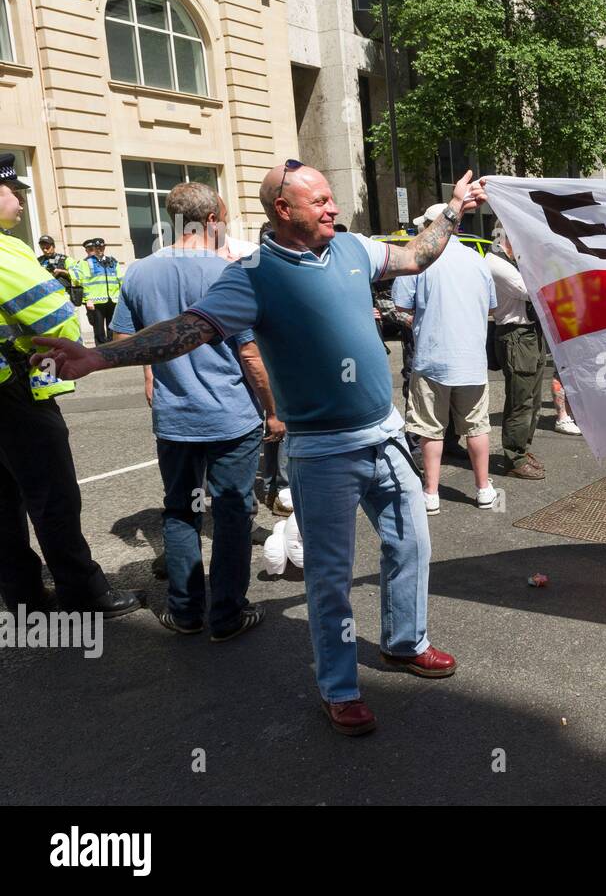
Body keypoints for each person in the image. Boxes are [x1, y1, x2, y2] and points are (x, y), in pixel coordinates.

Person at [35, 161, 484, 736]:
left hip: (385, 433)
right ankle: (340, 689)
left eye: (330, 197)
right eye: (319, 201)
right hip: (323, 452)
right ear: (283, 210)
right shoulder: (251, 277)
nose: (332, 208)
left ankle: (405, 642)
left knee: (410, 543)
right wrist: (99, 356)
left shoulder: (352, 249)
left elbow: (416, 255)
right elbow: (186, 329)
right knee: (329, 576)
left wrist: (452, 209)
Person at [111, 182, 284, 640]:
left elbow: (126, 344)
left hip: (176, 417)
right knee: (231, 512)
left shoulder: (139, 272)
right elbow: (251, 357)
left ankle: (186, 612)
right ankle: (226, 615)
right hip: (231, 415)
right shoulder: (233, 272)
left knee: (180, 510)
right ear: (211, 220)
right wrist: (272, 411)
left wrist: (155, 377)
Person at [0, 152, 141, 618]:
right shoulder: (4, 250)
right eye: (13, 192)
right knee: (52, 495)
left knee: (3, 502)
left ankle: (21, 593)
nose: (21, 201)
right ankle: (84, 595)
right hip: (15, 393)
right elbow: (55, 319)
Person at [392, 218, 497, 513]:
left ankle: (431, 493)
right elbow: (491, 307)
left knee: (430, 429)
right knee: (477, 426)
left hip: (431, 359)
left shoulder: (418, 259)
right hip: (471, 359)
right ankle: (484, 489)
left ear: (431, 226)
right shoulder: (476, 261)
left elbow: (401, 306)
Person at [486, 226, 546, 479]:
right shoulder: (496, 262)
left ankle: (522, 448)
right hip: (516, 334)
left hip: (531, 333)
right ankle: (514, 457)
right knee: (520, 401)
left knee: (533, 399)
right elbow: (530, 291)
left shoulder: (515, 259)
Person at [72, 237, 123, 345]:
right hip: (95, 302)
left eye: (101, 247)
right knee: (99, 331)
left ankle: (112, 353)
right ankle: (100, 355)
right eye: (97, 247)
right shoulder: (85, 263)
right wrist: (88, 300)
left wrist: (122, 298)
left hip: (113, 300)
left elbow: (121, 279)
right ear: (93, 248)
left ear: (104, 247)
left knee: (112, 329)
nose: (99, 249)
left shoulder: (112, 261)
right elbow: (82, 282)